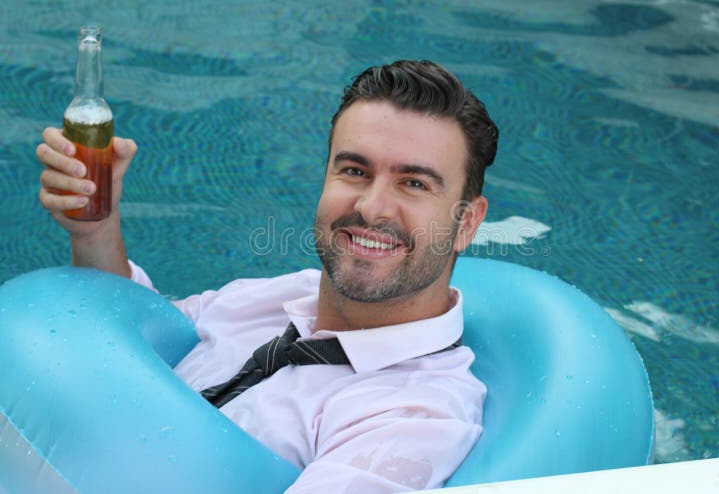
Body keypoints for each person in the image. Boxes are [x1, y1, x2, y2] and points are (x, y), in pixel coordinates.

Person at [36, 60, 499, 492]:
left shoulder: (411, 419)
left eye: (414, 183)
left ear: (467, 222)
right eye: (355, 171)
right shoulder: (283, 296)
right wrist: (96, 231)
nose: (371, 207)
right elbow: (148, 338)